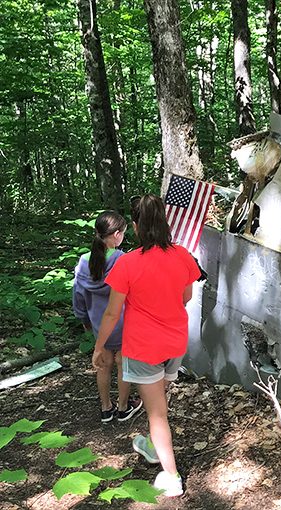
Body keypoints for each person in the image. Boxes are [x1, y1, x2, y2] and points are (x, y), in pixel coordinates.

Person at [92, 194, 201, 498]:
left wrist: (100, 347)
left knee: (157, 414)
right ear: (164, 222)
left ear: (137, 227)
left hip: (143, 347)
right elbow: (186, 297)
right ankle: (156, 446)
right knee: (159, 403)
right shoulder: (183, 255)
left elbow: (112, 312)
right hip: (175, 343)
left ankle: (171, 475)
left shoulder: (127, 263)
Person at [73, 211, 143, 423]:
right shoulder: (122, 259)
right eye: (122, 232)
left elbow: (78, 294)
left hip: (98, 323)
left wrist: (84, 318)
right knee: (122, 362)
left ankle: (106, 408)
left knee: (103, 364)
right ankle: (123, 408)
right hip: (122, 321)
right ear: (116, 234)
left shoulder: (84, 262)